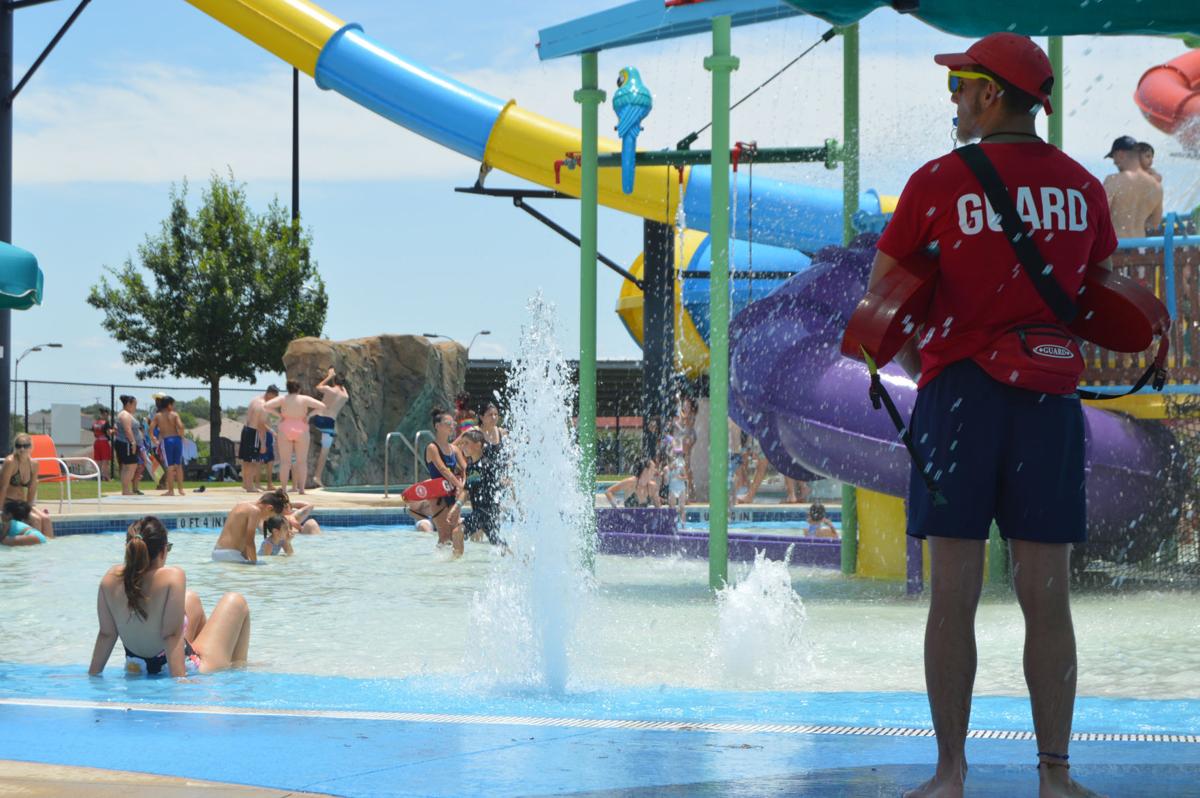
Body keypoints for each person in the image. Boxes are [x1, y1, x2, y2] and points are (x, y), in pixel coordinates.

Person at [867, 33, 1112, 798]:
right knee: (1048, 593)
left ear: (991, 95)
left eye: (960, 87)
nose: (954, 100)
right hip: (1049, 399)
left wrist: (929, 372)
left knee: (953, 594)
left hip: (961, 398)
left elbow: (882, 309)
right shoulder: (1083, 188)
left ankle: (949, 773)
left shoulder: (938, 182)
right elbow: (1103, 301)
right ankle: (1056, 776)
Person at [89, 517, 251, 677]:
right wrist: (180, 680)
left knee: (191, 599)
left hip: (138, 667)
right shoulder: (172, 576)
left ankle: (211, 657)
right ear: (163, 551)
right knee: (236, 600)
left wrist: (93, 674)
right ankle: (238, 668)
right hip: (178, 668)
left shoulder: (109, 579)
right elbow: (171, 635)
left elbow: (107, 634)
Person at [415, 407, 468, 557]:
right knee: (444, 535)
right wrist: (460, 486)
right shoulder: (432, 448)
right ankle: (439, 564)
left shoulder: (454, 449)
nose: (452, 426)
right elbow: (443, 470)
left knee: (456, 531)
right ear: (437, 426)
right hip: (438, 496)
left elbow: (465, 468)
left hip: (453, 494)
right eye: (448, 423)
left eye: (453, 423)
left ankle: (456, 561)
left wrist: (463, 485)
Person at [263, 381, 325, 495]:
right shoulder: (304, 399)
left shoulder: (283, 399)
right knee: (302, 462)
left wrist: (279, 415)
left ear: (288, 389)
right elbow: (322, 406)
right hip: (301, 429)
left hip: (285, 428)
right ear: (299, 389)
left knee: (285, 462)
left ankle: (284, 489)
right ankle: (301, 489)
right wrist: (309, 415)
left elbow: (266, 406)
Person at [1103, 134, 1163, 238]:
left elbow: (1101, 215)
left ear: (1121, 154)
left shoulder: (1112, 181)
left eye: (1114, 157)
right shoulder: (1156, 186)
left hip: (1117, 247)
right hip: (1140, 247)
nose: (1114, 162)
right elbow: (1155, 223)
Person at [212, 489, 290, 564]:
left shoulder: (241, 505)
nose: (266, 519)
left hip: (217, 552)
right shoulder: (255, 511)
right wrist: (254, 563)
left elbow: (243, 539)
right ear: (269, 508)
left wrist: (246, 558)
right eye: (269, 516)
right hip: (230, 554)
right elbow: (250, 542)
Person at [0, 433, 54, 539]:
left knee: (46, 519)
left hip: (21, 503)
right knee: (36, 520)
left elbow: (32, 488)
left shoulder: (34, 464)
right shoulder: (11, 462)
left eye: (25, 445)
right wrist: (0, 510)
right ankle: (34, 548)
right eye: (18, 445)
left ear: (31, 447)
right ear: (15, 447)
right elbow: (3, 487)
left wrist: (29, 507)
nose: (22, 448)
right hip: (8, 502)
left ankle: (48, 549)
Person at [310, 368, 349, 488]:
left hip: (319, 419)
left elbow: (318, 386)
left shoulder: (329, 389)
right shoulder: (345, 396)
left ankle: (304, 421)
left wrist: (329, 376)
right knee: (325, 450)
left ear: (334, 382)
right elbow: (343, 389)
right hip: (329, 423)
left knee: (315, 410)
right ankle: (317, 476)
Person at [239, 386, 278, 492]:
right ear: (270, 394)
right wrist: (263, 443)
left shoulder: (254, 400)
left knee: (246, 460)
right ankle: (251, 487)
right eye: (274, 398)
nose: (273, 400)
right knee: (253, 460)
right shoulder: (263, 405)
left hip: (246, 430)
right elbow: (260, 425)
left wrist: (270, 431)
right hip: (254, 432)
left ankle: (246, 484)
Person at [149, 396, 187, 497]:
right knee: (178, 466)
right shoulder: (175, 415)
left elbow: (151, 428)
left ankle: (171, 491)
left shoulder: (158, 416)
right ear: (169, 405)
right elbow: (181, 426)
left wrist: (153, 438)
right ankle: (181, 489)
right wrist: (182, 436)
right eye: (173, 404)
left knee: (170, 467)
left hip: (167, 441)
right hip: (177, 440)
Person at [114, 395, 141, 495]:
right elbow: (127, 430)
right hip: (126, 443)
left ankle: (126, 489)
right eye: (134, 405)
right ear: (128, 404)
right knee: (130, 466)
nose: (135, 407)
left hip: (126, 443)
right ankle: (125, 490)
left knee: (128, 466)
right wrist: (133, 443)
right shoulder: (125, 415)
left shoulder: (126, 414)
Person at [91, 410, 113, 480]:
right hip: (104, 442)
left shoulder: (95, 423)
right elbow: (109, 432)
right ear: (105, 415)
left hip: (97, 442)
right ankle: (105, 476)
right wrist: (114, 431)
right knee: (105, 460)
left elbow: (94, 432)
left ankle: (99, 476)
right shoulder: (106, 423)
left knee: (99, 460)